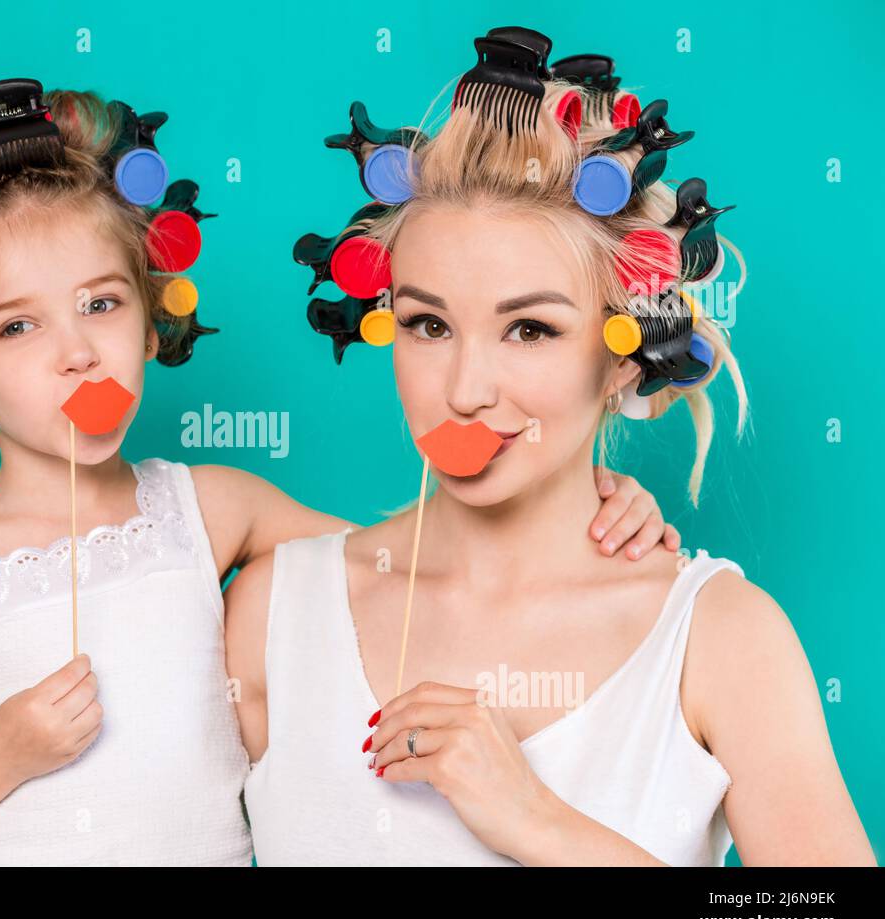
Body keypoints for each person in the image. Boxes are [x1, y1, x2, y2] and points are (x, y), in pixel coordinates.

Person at [0, 75, 682, 866]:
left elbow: (426, 568)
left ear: (151, 320)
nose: (76, 355)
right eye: (16, 327)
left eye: (100, 305)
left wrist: (589, 506)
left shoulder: (210, 512)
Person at [227, 27, 876, 865]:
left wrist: (537, 820)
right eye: (429, 325)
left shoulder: (721, 639)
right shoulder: (273, 612)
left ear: (620, 359)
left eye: (529, 329)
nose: (464, 390)